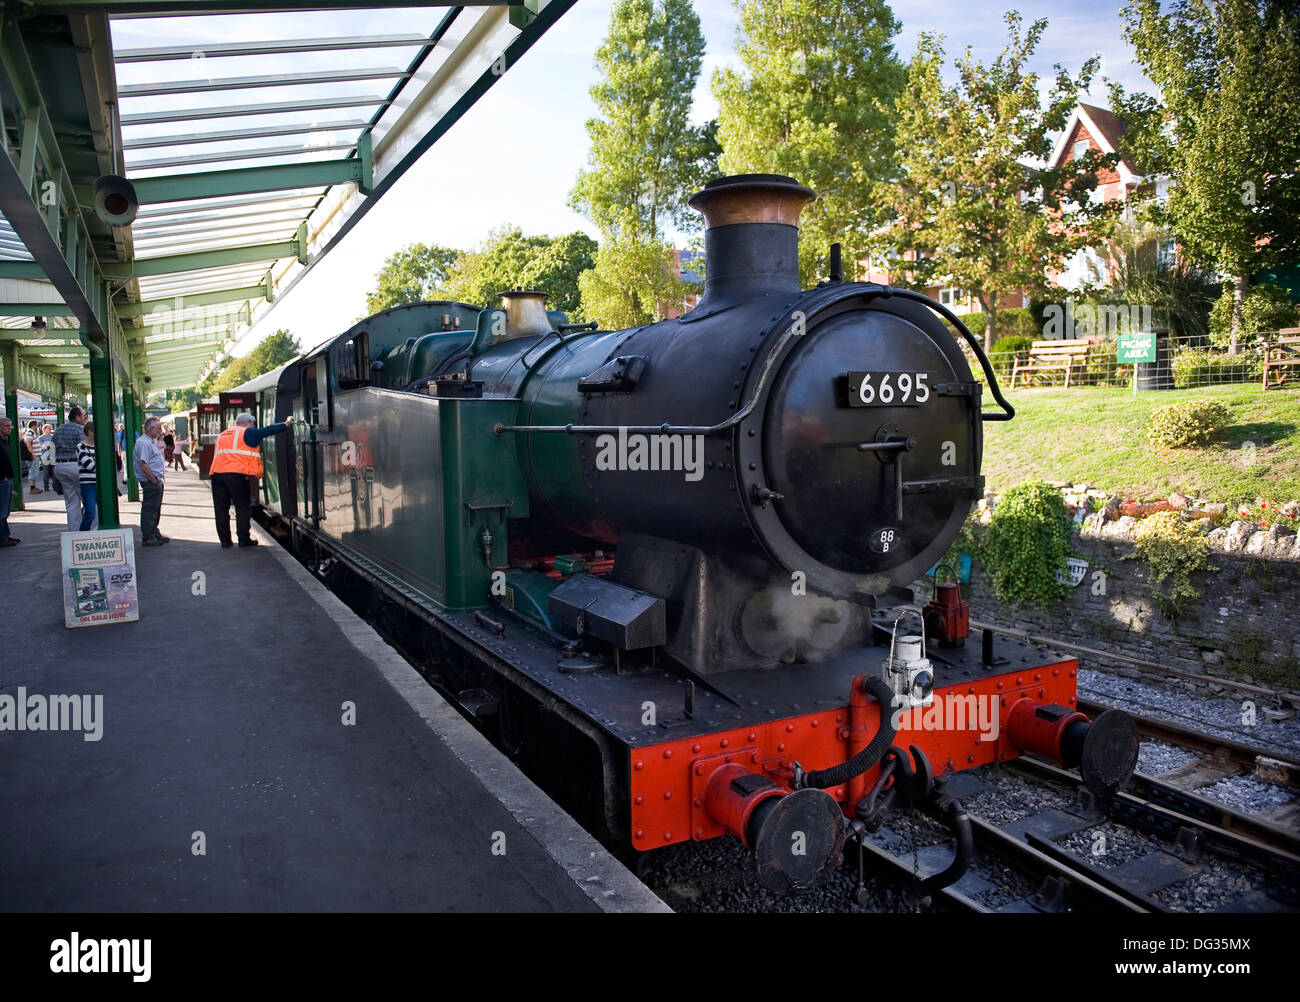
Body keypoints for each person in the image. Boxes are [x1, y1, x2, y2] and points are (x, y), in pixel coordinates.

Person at [210, 411, 294, 548]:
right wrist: (285, 424)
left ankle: (225, 541)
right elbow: (267, 431)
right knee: (242, 508)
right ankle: (243, 539)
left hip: (217, 475)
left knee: (220, 509)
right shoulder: (247, 433)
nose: (253, 425)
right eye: (252, 423)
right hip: (236, 475)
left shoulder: (223, 435)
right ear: (246, 423)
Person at [52, 406, 88, 531]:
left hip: (60, 466)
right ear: (77, 417)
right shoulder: (81, 430)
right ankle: (88, 529)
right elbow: (84, 449)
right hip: (76, 465)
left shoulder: (58, 430)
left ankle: (74, 530)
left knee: (71, 501)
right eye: (83, 416)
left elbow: (51, 451)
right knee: (87, 497)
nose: (84, 418)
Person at [133, 416, 168, 546]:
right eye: (159, 428)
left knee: (155, 508)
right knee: (150, 508)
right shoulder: (144, 443)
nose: (160, 431)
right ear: (151, 428)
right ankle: (148, 536)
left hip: (154, 479)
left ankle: (154, 532)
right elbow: (144, 464)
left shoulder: (150, 441)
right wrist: (153, 480)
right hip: (150, 480)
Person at [76, 421, 99, 531]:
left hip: (97, 482)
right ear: (89, 431)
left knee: (97, 512)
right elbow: (89, 465)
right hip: (88, 484)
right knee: (90, 512)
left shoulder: (99, 446)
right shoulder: (81, 446)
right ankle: (83, 534)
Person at [0, 417, 17, 546]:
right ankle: (2, 537)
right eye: (7, 426)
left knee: (5, 510)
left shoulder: (5, 442)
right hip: (2, 480)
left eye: (10, 426)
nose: (10, 429)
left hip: (7, 480)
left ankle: (6, 534)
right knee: (1, 510)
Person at [22, 421, 40, 494]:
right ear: (33, 425)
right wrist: (32, 454)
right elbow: (28, 443)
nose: (37, 427)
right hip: (33, 456)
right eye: (37, 426)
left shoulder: (30, 432)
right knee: (32, 470)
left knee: (33, 470)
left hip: (35, 455)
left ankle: (34, 487)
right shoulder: (30, 432)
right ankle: (32, 488)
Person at [37, 423, 55, 491]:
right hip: (44, 457)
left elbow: (54, 445)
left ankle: (54, 486)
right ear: (44, 429)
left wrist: (48, 446)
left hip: (52, 457)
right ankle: (46, 487)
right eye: (48, 428)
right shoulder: (40, 438)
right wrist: (50, 446)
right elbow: (42, 446)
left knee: (54, 473)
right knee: (46, 473)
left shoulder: (53, 436)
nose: (50, 430)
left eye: (50, 429)